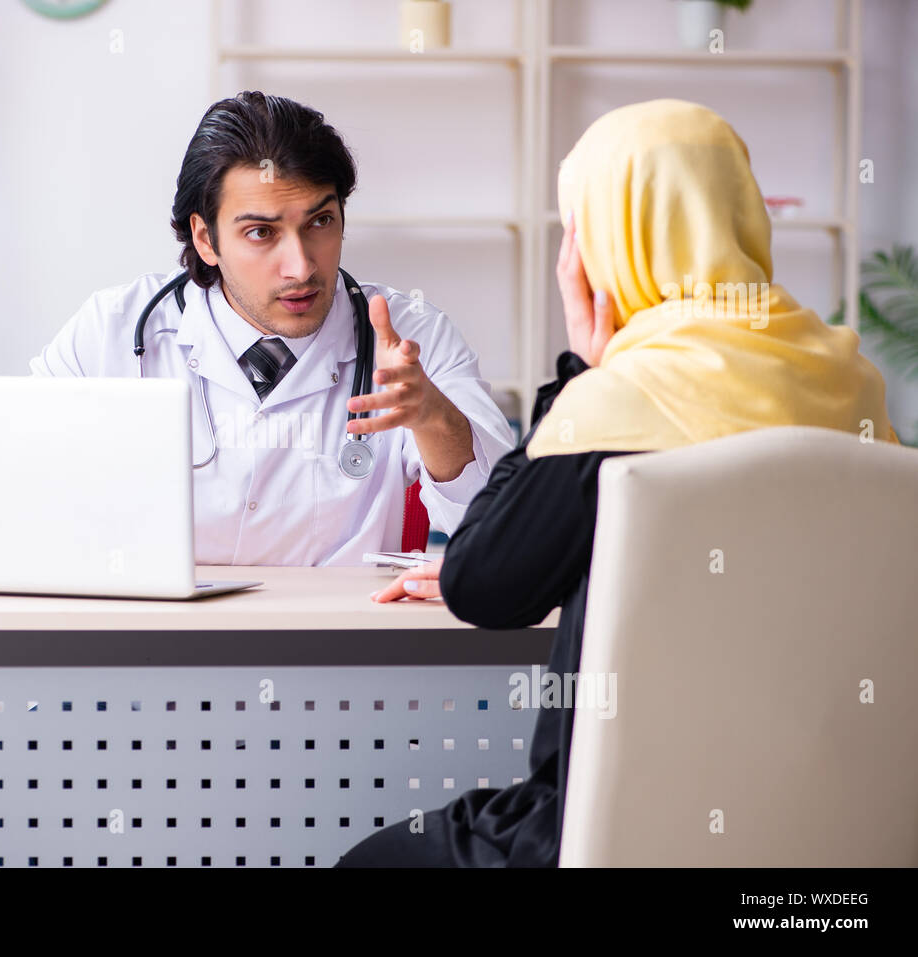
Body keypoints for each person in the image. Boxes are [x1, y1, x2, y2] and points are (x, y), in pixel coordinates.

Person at [340, 98, 901, 866]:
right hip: (830, 842)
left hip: (612, 831)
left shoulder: (622, 401)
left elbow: (484, 587)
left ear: (611, 243)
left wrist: (581, 374)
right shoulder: (852, 381)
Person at [30, 91, 515, 565]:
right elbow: (19, 484)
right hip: (157, 635)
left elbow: (505, 530)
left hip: (341, 638)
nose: (300, 267)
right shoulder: (110, 333)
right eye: (262, 232)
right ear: (206, 238)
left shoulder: (412, 337)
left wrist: (433, 418)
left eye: (320, 221)